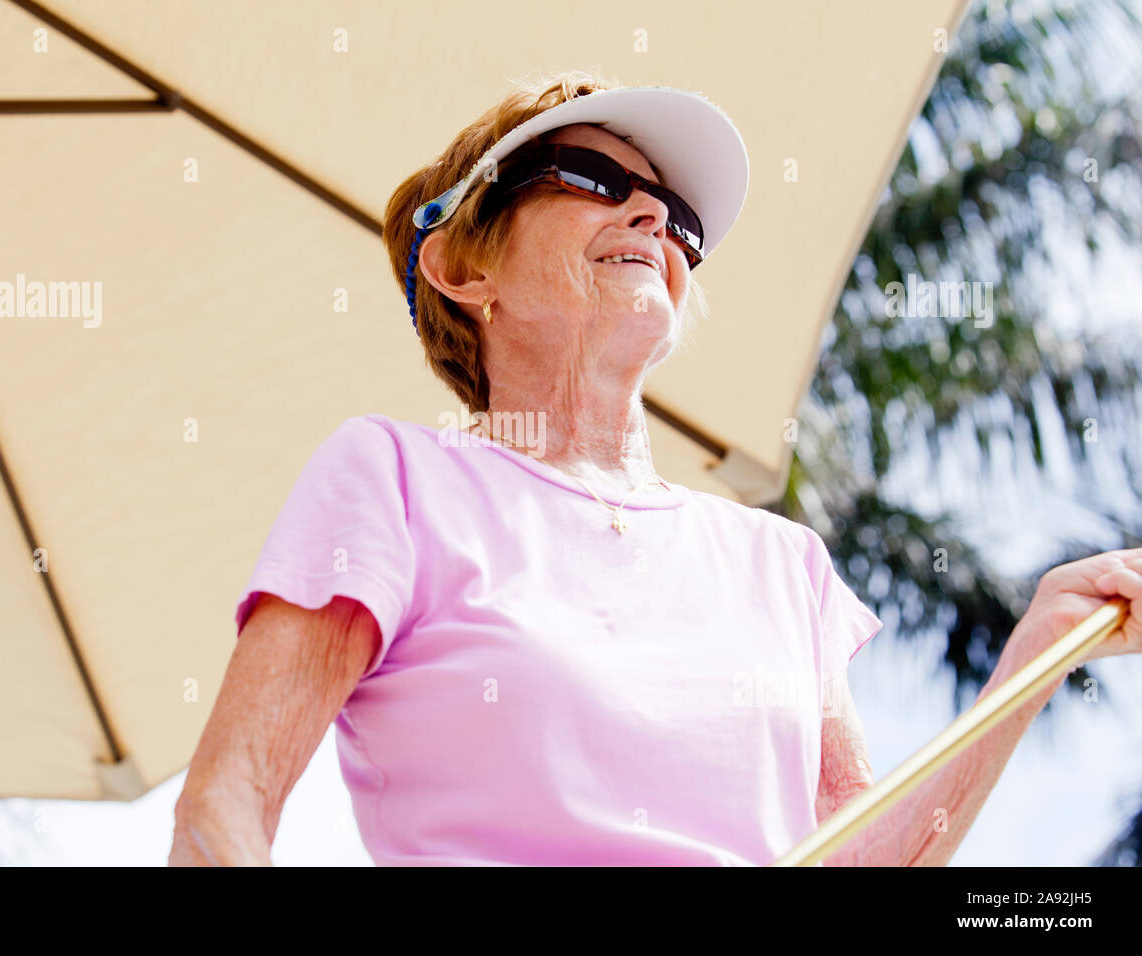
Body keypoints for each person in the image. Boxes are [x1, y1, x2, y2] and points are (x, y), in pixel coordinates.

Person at [169, 70, 1142, 866]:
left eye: (675, 214)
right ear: (465, 270)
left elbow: (868, 861)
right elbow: (226, 805)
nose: (651, 214)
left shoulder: (781, 562)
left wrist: (1035, 648)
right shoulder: (394, 477)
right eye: (591, 175)